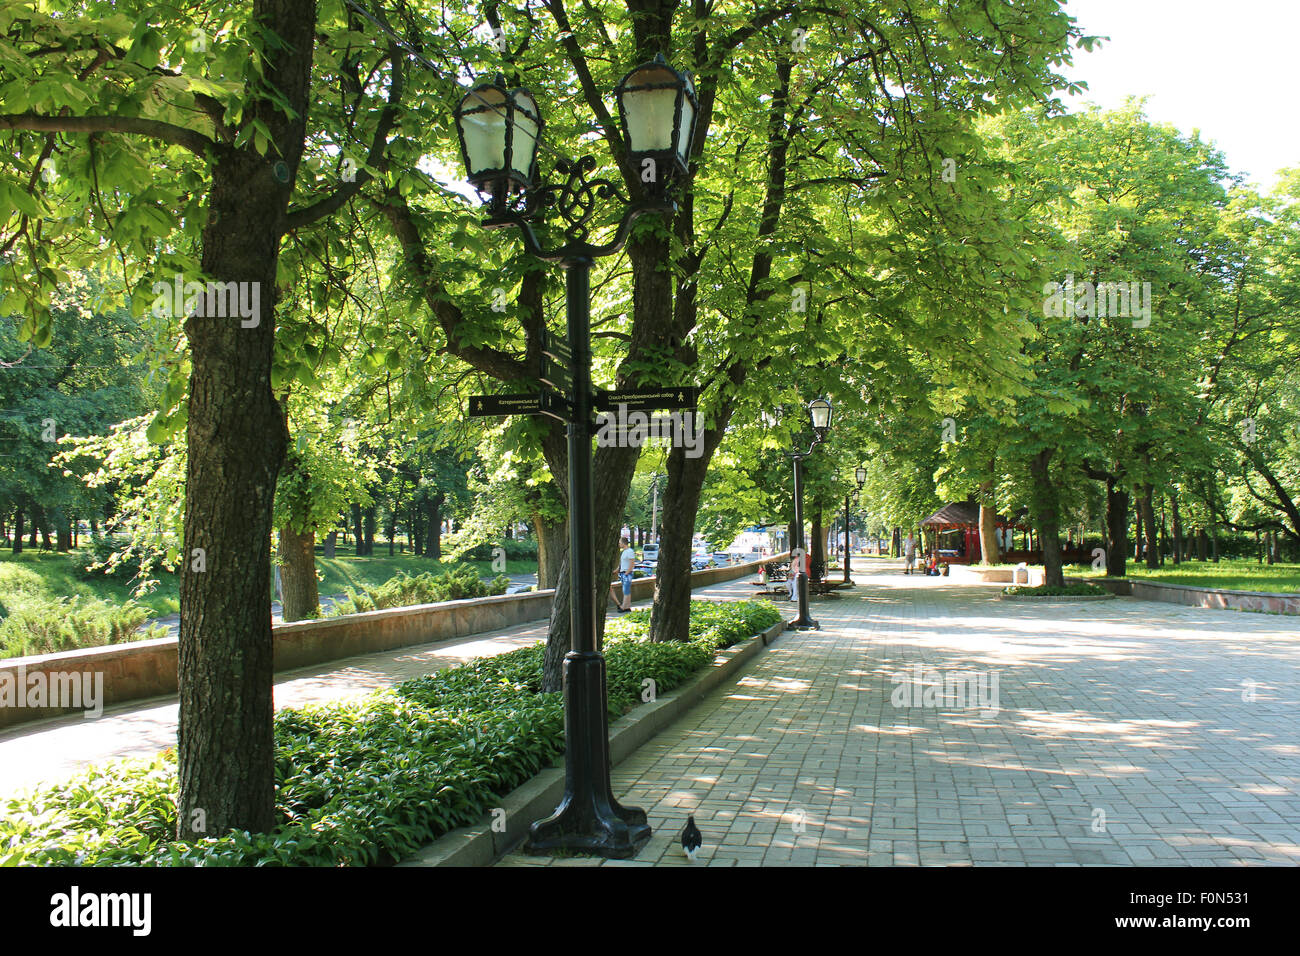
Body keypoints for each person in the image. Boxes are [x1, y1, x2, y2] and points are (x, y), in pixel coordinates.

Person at [617, 536, 636, 612]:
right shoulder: (624, 552)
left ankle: (623, 607)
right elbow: (622, 564)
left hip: (627, 574)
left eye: (619, 543)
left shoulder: (630, 551)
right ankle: (627, 606)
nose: (619, 544)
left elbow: (632, 563)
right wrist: (617, 570)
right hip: (623, 573)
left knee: (626, 590)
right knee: (626, 590)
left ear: (623, 543)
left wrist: (627, 573)